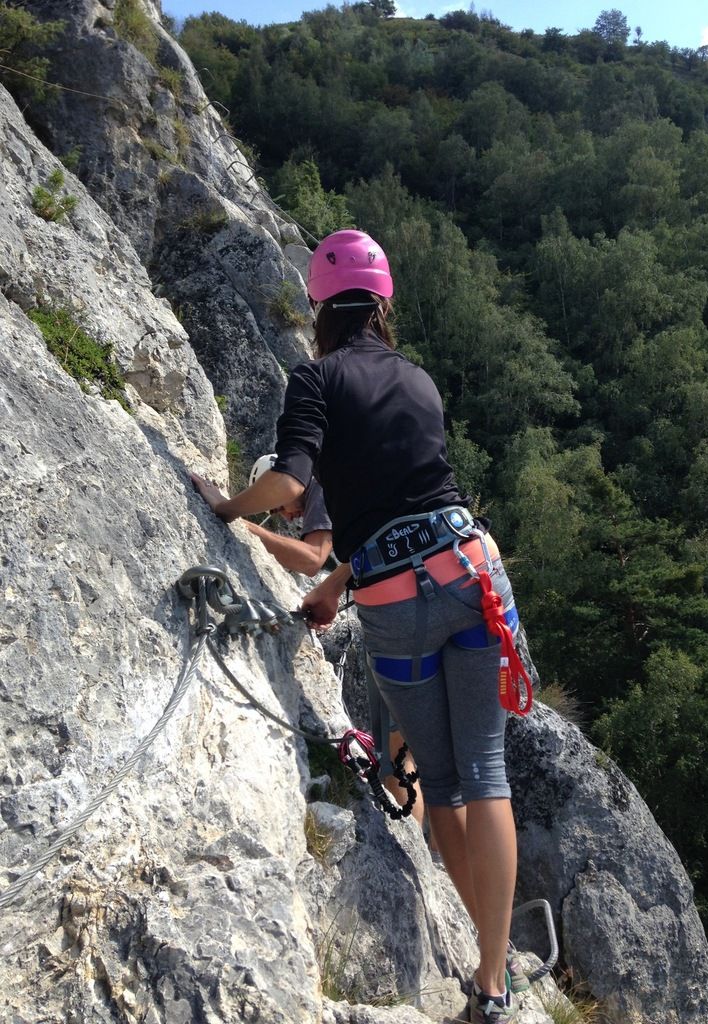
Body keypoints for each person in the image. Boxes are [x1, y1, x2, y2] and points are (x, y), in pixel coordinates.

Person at [191, 229, 530, 1022]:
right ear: (381, 305)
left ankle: (489, 951)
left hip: (395, 608)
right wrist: (336, 578)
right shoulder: (418, 380)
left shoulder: (315, 377)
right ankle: (493, 980)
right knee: (487, 775)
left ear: (320, 308)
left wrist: (225, 509)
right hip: (473, 576)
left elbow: (287, 483)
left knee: (441, 785)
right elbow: (419, 510)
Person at [198, 451, 426, 826]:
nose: (286, 516)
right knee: (412, 756)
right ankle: (427, 862)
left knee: (397, 754)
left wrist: (241, 523)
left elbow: (311, 558)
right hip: (429, 589)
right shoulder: (349, 481)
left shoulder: (318, 482)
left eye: (278, 505)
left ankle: (416, 853)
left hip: (401, 612)